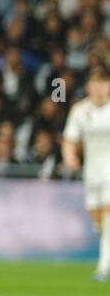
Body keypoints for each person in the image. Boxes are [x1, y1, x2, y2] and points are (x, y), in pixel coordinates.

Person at [61, 63, 110, 281]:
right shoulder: (80, 110)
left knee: (109, 216)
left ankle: (103, 267)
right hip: (92, 172)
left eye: (103, 83)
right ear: (88, 87)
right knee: (98, 222)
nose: (99, 88)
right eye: (95, 83)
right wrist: (70, 156)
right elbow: (70, 138)